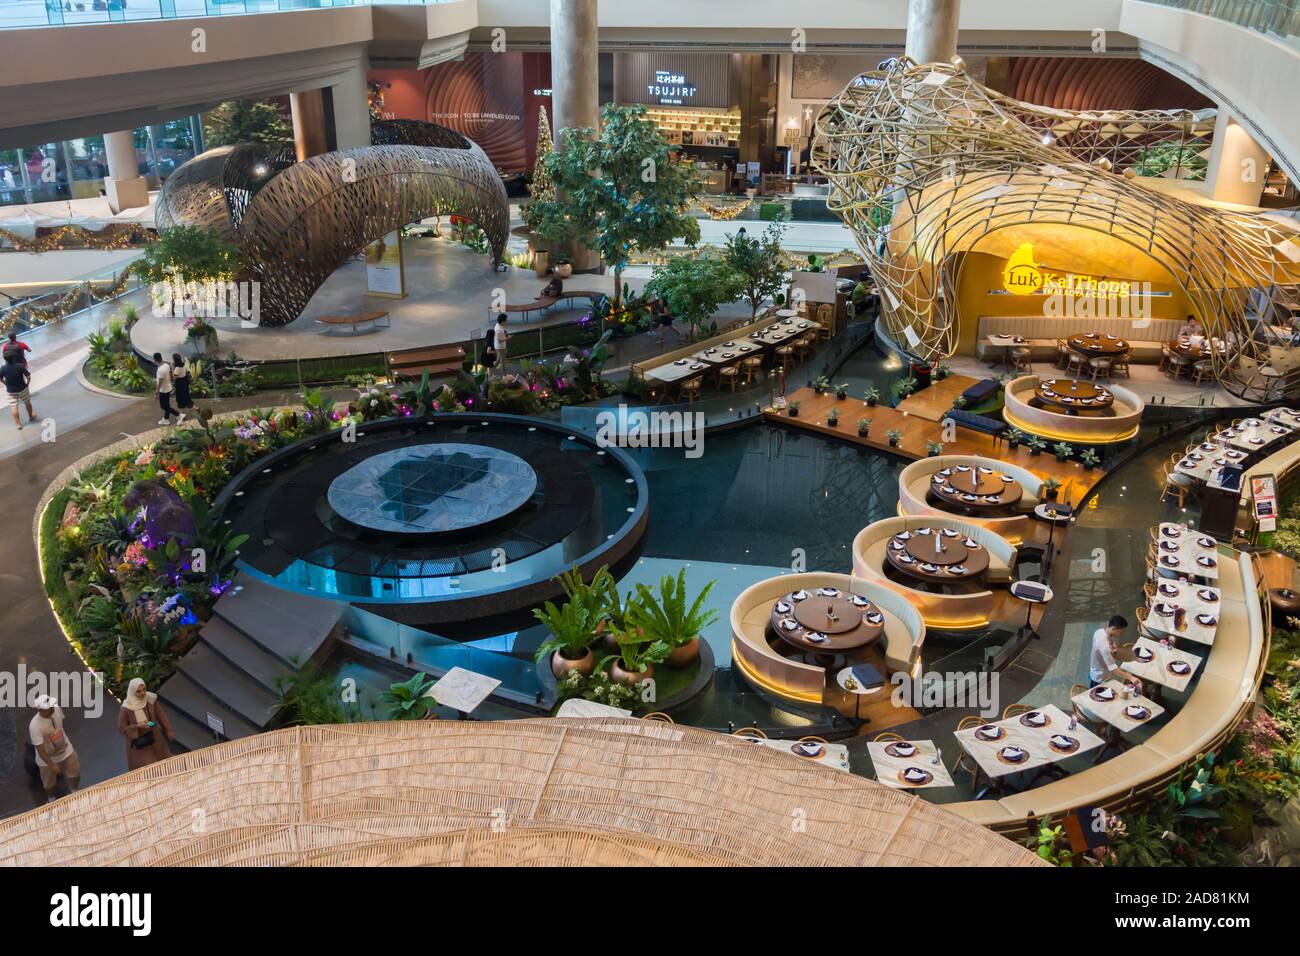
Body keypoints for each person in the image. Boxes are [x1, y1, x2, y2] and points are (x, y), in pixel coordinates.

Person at [29, 695, 80, 803]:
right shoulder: (34, 726)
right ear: (40, 710)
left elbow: (61, 726)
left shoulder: (56, 708)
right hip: (47, 758)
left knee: (75, 771)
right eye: (49, 708)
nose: (52, 709)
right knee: (48, 782)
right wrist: (51, 764)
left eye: (52, 706)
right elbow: (40, 749)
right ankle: (51, 798)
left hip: (65, 749)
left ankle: (74, 790)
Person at [117, 678, 174, 771]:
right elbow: (121, 728)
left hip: (155, 737)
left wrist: (168, 730)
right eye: (138, 691)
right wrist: (137, 726)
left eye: (144, 689)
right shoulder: (126, 709)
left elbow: (161, 715)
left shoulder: (150, 699)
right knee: (149, 767)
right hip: (140, 744)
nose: (142, 693)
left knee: (163, 760)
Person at [1089, 614, 1138, 689]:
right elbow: (1114, 669)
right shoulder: (1105, 647)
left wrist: (1112, 644)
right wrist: (1131, 678)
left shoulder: (1099, 631)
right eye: (1121, 631)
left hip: (1097, 669)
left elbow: (1107, 641)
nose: (1122, 633)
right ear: (1114, 628)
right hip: (1101, 678)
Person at [1, 350, 36, 430]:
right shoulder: (20, 366)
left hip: (11, 391)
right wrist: (27, 384)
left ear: (5, 359)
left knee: (14, 407)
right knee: (27, 403)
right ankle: (31, 416)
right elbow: (28, 376)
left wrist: (6, 383)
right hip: (22, 388)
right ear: (14, 358)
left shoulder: (3, 368)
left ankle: (18, 424)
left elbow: (0, 378)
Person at [153, 352, 177, 426]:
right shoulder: (166, 365)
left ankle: (178, 415)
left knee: (164, 406)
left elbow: (159, 382)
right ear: (161, 358)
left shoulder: (160, 370)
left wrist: (156, 393)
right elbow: (170, 374)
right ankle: (166, 419)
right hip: (168, 387)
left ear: (154, 360)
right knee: (166, 405)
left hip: (163, 390)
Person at [171, 353, 193, 422]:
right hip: (184, 382)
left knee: (180, 399)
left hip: (180, 383)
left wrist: (172, 368)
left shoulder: (177, 368)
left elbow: (174, 377)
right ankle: (183, 413)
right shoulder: (183, 364)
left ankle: (181, 414)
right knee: (185, 397)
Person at [490, 313, 509, 381]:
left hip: (499, 347)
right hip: (500, 347)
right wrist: (507, 338)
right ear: (503, 321)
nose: (507, 321)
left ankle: (490, 372)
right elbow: (499, 340)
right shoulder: (499, 329)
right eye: (506, 320)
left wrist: (505, 334)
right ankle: (504, 376)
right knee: (502, 361)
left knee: (498, 360)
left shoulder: (499, 325)